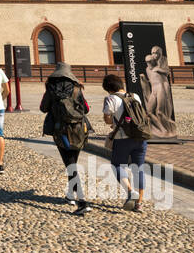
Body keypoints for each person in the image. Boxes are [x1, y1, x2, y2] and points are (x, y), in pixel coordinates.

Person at [40, 62, 91, 215]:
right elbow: (86, 109)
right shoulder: (77, 89)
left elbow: (43, 108)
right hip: (79, 130)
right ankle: (71, 195)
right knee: (72, 162)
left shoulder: (51, 89)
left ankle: (82, 201)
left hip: (61, 130)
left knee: (70, 165)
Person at [102, 73, 147, 211]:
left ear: (108, 88)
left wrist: (113, 122)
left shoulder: (110, 98)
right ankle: (138, 203)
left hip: (122, 139)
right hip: (140, 137)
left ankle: (130, 191)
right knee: (139, 168)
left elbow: (108, 120)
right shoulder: (135, 96)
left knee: (117, 165)